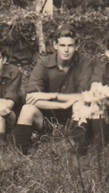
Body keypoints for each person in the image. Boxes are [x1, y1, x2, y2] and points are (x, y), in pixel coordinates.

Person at [13, 24, 95, 155]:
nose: (66, 50)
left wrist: (53, 96)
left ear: (76, 46)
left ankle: (76, 154)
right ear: (55, 46)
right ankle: (21, 155)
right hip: (48, 118)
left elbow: (87, 96)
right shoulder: (44, 63)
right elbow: (31, 99)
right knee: (27, 109)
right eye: (62, 46)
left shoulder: (85, 63)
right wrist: (61, 106)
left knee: (82, 106)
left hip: (74, 118)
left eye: (70, 46)